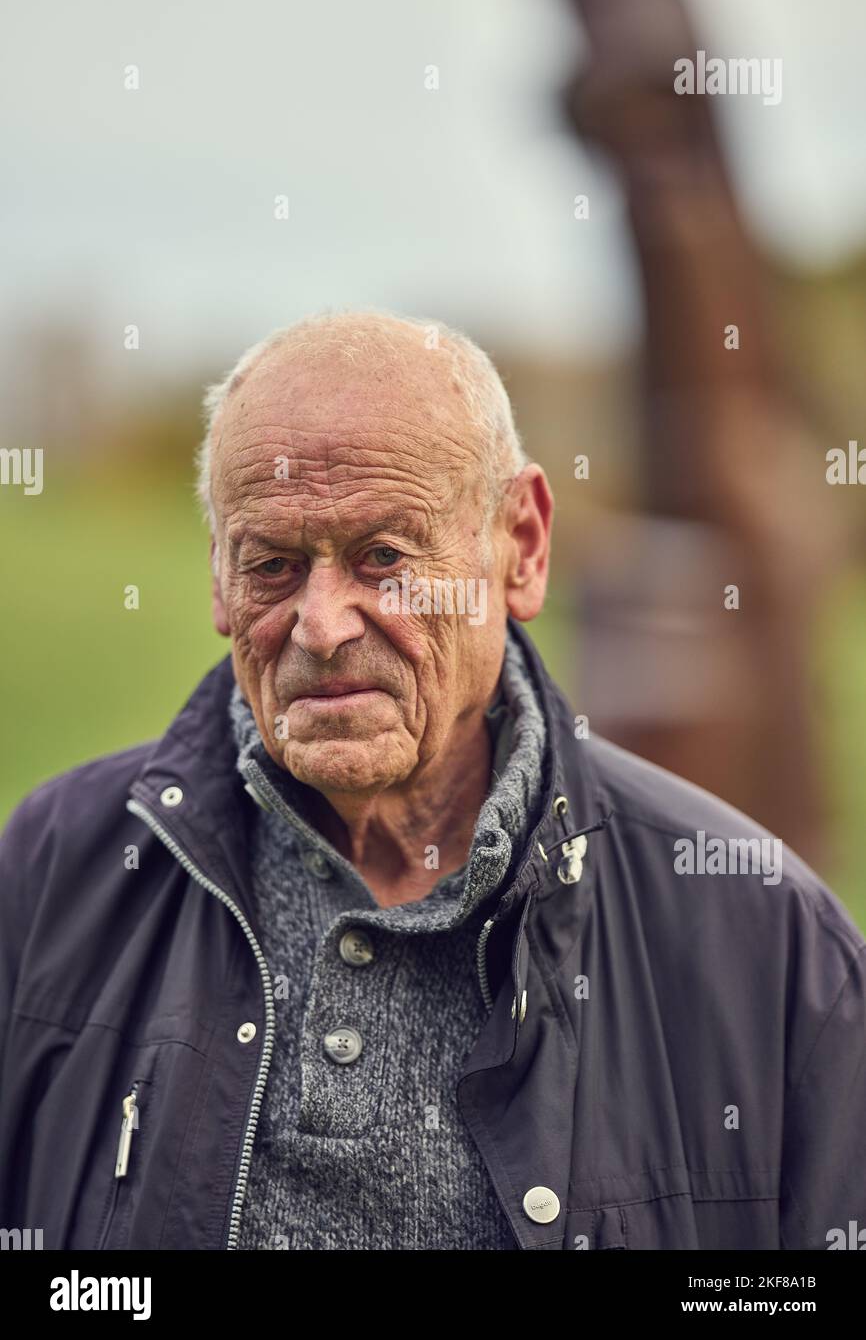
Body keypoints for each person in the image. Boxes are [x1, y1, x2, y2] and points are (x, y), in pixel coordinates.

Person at [0, 310, 863, 1251]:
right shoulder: (54, 873)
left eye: (385, 557)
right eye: (274, 566)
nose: (322, 626)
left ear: (522, 547)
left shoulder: (766, 940)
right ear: (218, 577)